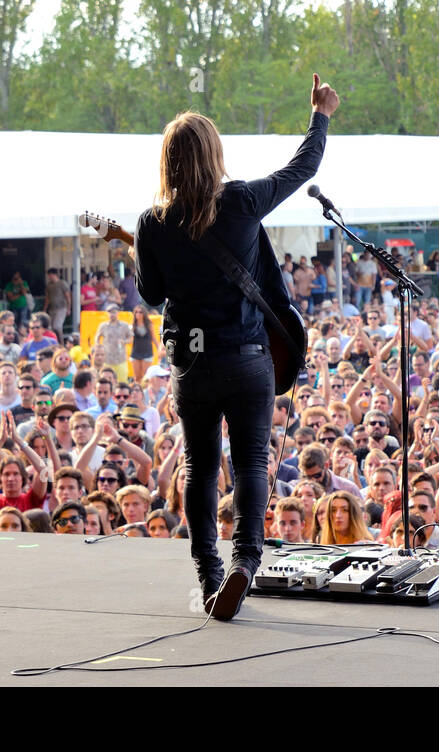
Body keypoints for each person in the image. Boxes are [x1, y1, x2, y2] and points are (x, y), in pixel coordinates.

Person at [134, 73, 339, 621]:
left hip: (193, 364)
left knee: (200, 468)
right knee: (251, 462)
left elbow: (153, 295)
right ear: (214, 154)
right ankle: (246, 559)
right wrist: (320, 115)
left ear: (167, 162)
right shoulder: (243, 200)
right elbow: (303, 169)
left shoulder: (152, 223)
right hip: (249, 359)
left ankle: (209, 574)